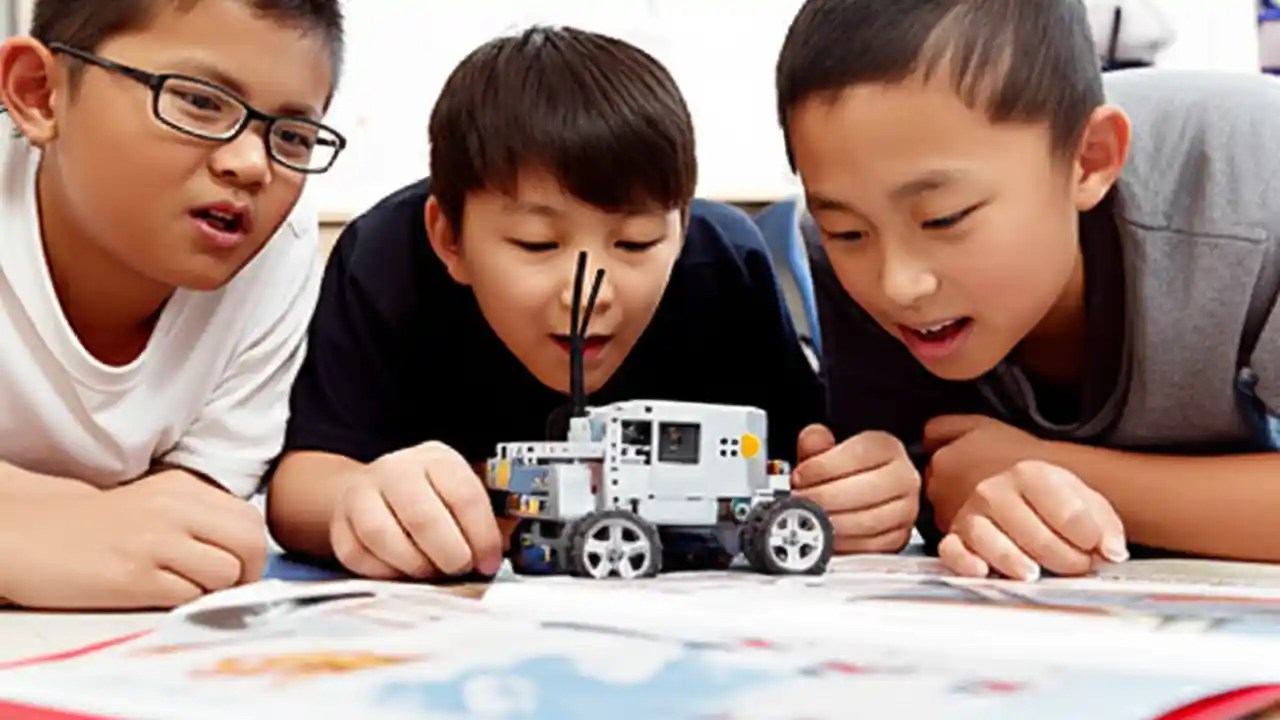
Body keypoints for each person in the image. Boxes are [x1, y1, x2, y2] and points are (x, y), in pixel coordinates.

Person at [267, 26, 921, 582]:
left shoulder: (722, 262)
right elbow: (301, 483)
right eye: (536, 242)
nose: (592, 293)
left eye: (636, 242)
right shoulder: (388, 258)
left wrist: (865, 490)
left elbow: (810, 461)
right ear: (450, 237)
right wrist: (357, 499)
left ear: (682, 224)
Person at [775, 0, 1280, 580]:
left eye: (943, 219)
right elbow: (942, 485)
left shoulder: (1256, 181)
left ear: (1088, 161)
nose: (898, 284)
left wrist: (1050, 468)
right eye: (848, 231)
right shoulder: (841, 250)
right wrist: (882, 498)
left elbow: (981, 472)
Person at [0, 0, 346, 609]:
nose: (250, 165)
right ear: (40, 93)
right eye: (199, 101)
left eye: (292, 136)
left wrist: (66, 527)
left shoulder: (277, 256)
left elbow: (193, 529)